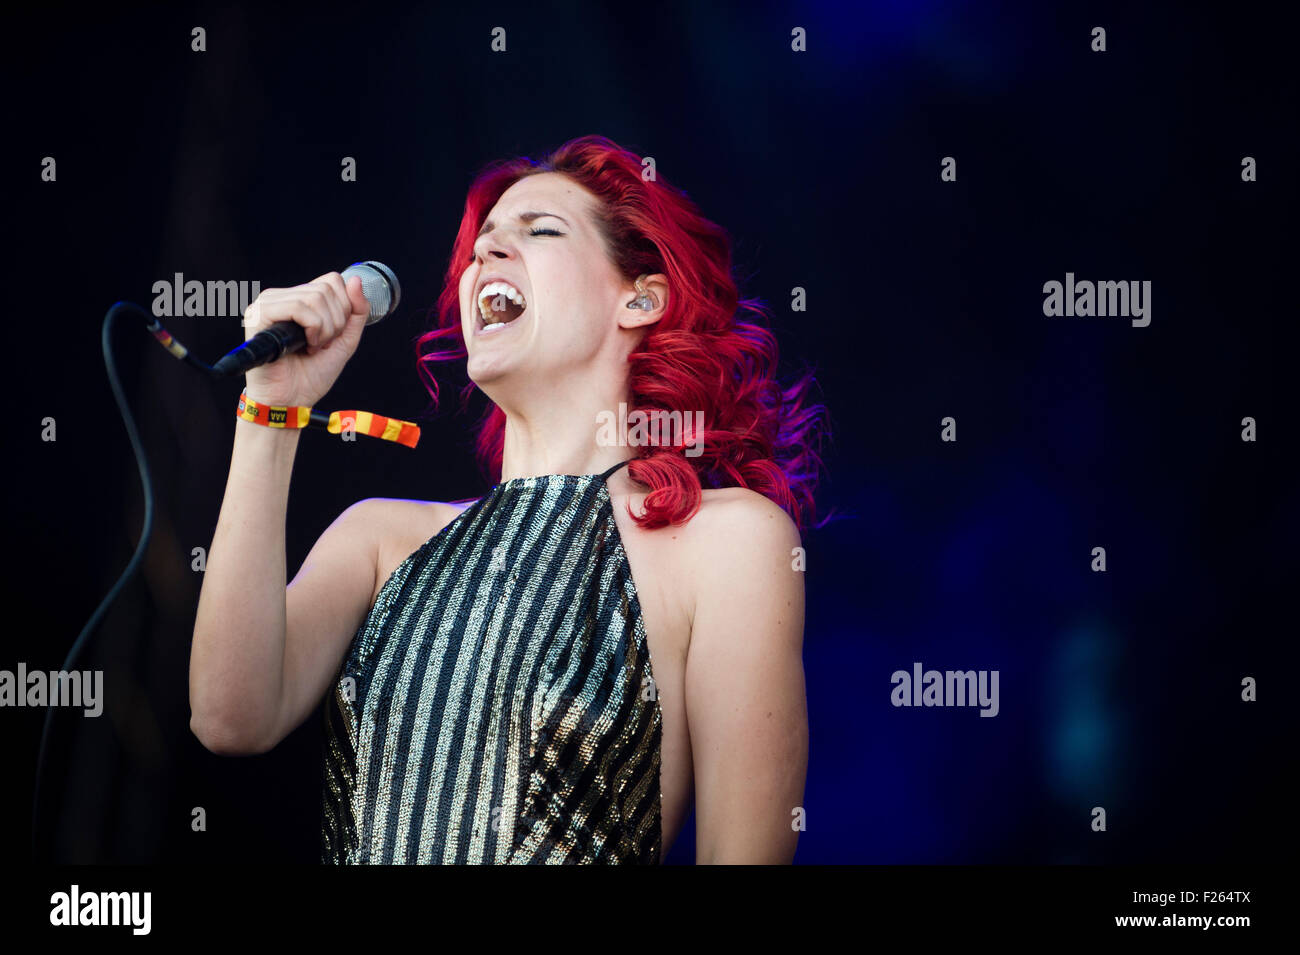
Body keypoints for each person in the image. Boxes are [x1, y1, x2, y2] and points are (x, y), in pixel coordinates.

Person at [189, 135, 825, 864]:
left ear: (640, 298)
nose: (485, 257)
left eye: (538, 231)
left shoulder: (729, 544)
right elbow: (228, 714)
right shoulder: (379, 537)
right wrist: (271, 408)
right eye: (480, 247)